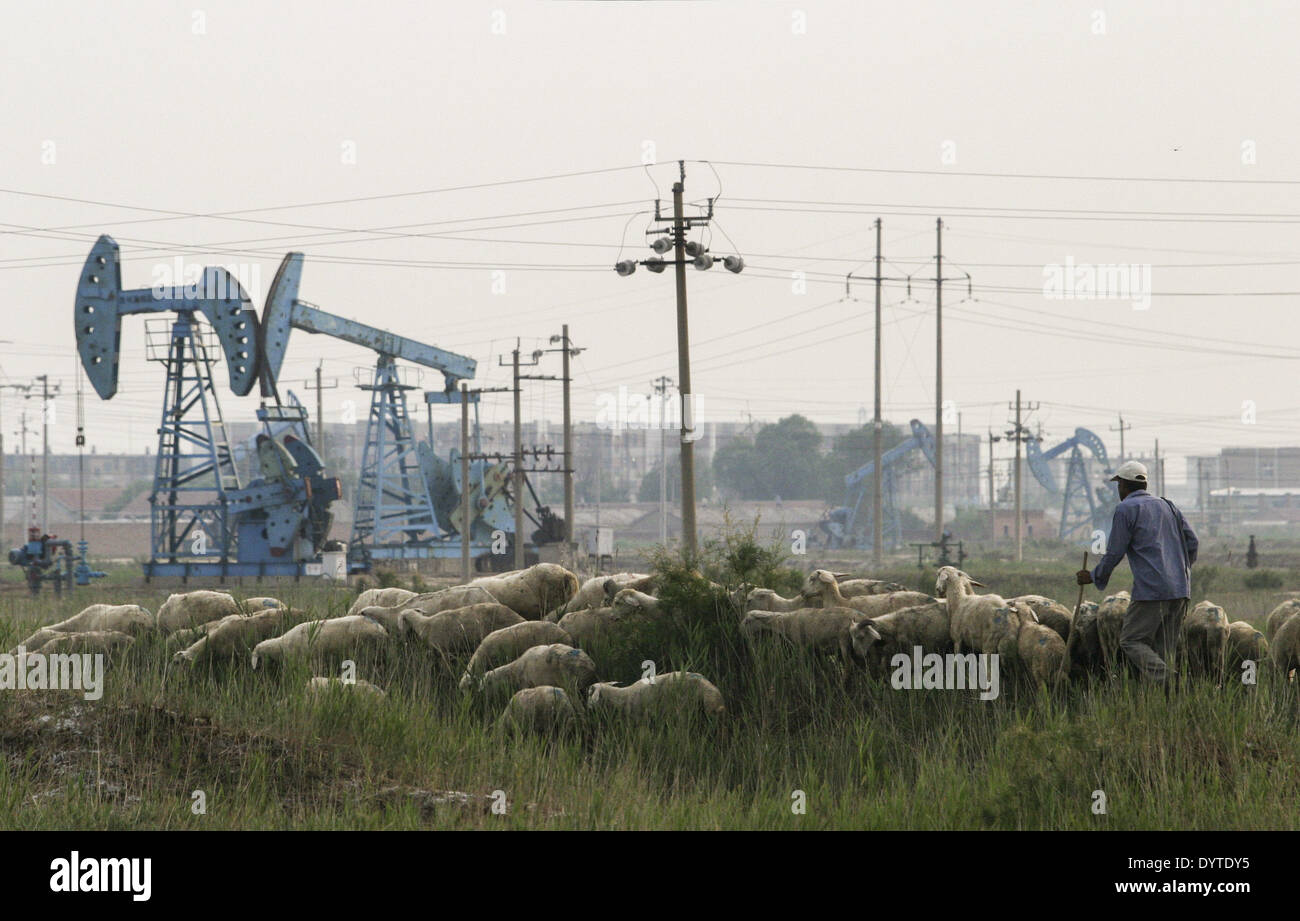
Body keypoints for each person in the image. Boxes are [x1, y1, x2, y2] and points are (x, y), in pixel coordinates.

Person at [1076, 460, 1198, 684]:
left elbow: (1114, 552)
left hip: (1152, 591)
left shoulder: (1126, 509)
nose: (1118, 489)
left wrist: (1093, 576)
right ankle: (1167, 702)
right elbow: (1193, 542)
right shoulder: (1168, 506)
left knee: (1131, 640)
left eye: (1119, 485)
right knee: (1164, 650)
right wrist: (1180, 570)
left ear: (1123, 485)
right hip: (1181, 590)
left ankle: (1171, 680)